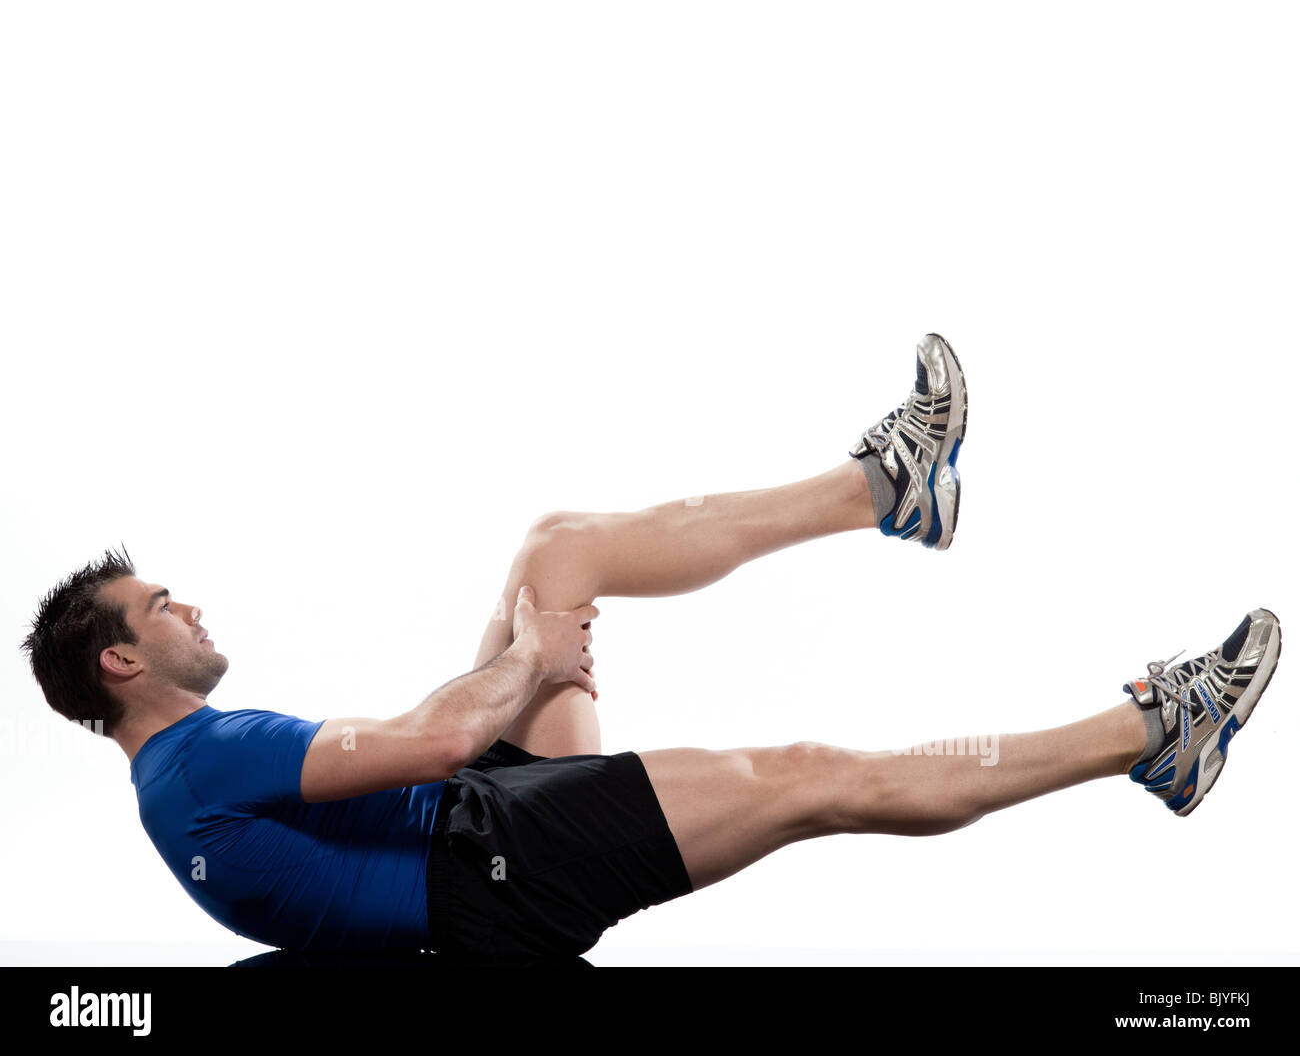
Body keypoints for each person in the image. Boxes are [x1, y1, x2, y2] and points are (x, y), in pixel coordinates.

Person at [21, 334, 1282, 964]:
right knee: (808, 774)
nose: (189, 607)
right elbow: (451, 732)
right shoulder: (196, 766)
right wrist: (524, 662)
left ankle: (882, 486)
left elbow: (427, 750)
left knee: (556, 546)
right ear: (120, 663)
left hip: (467, 819)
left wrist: (525, 653)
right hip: (496, 873)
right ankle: (1159, 732)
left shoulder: (195, 773)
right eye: (162, 605)